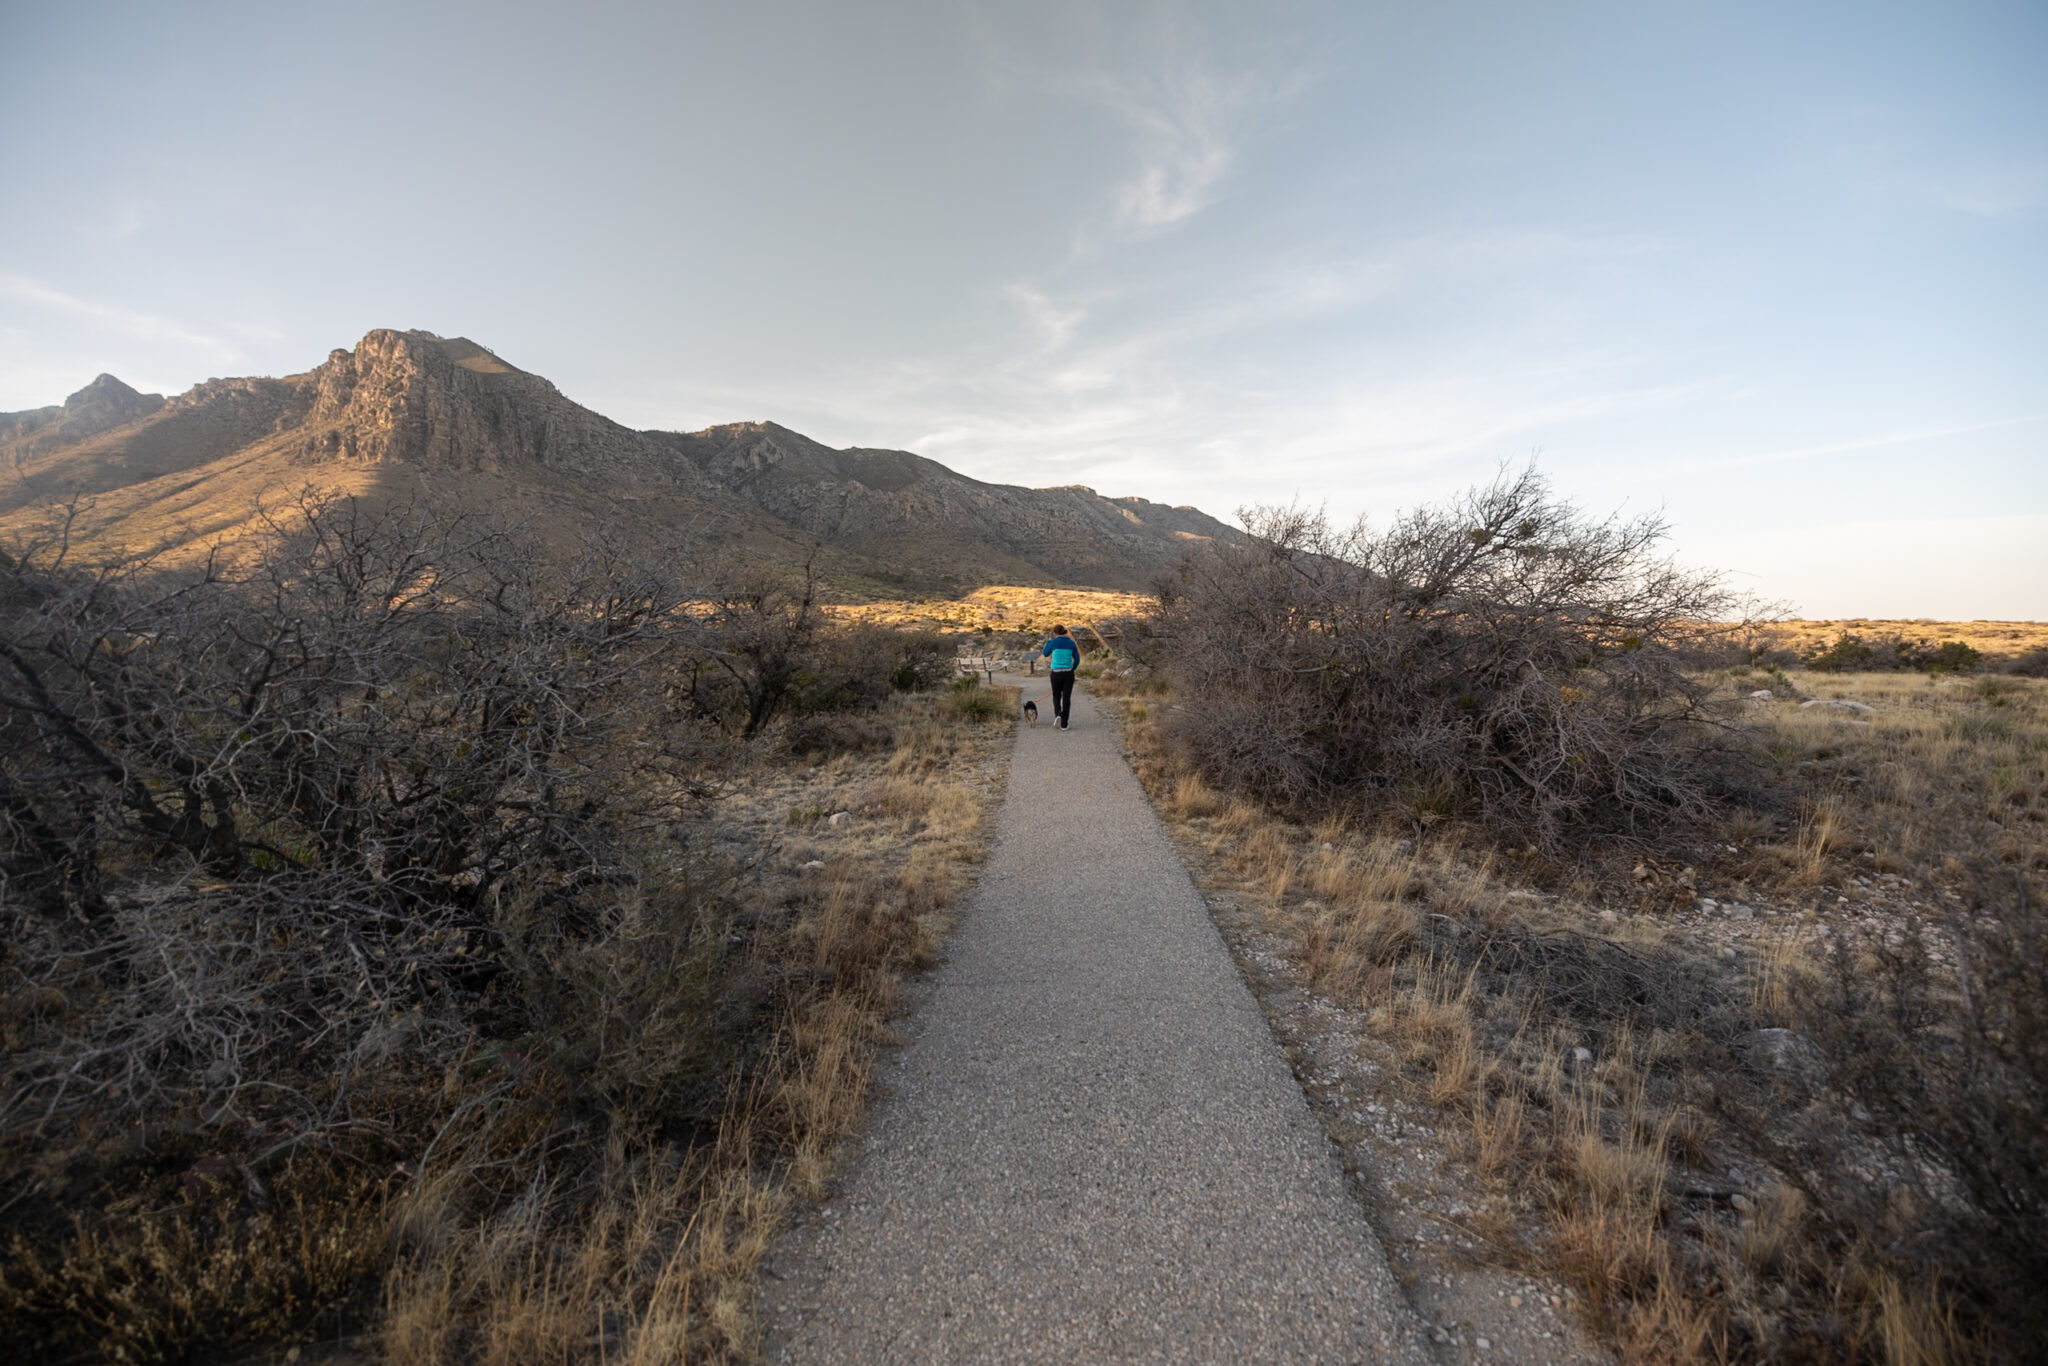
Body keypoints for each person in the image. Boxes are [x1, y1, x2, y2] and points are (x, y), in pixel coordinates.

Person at [1041, 624, 1081, 729]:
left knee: (1056, 696)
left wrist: (1048, 643)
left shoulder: (1053, 642)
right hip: (1068, 673)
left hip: (1056, 673)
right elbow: (1077, 659)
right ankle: (1064, 723)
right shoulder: (1071, 643)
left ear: (1054, 633)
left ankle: (1058, 714)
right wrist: (1072, 668)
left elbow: (1045, 654)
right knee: (1066, 698)